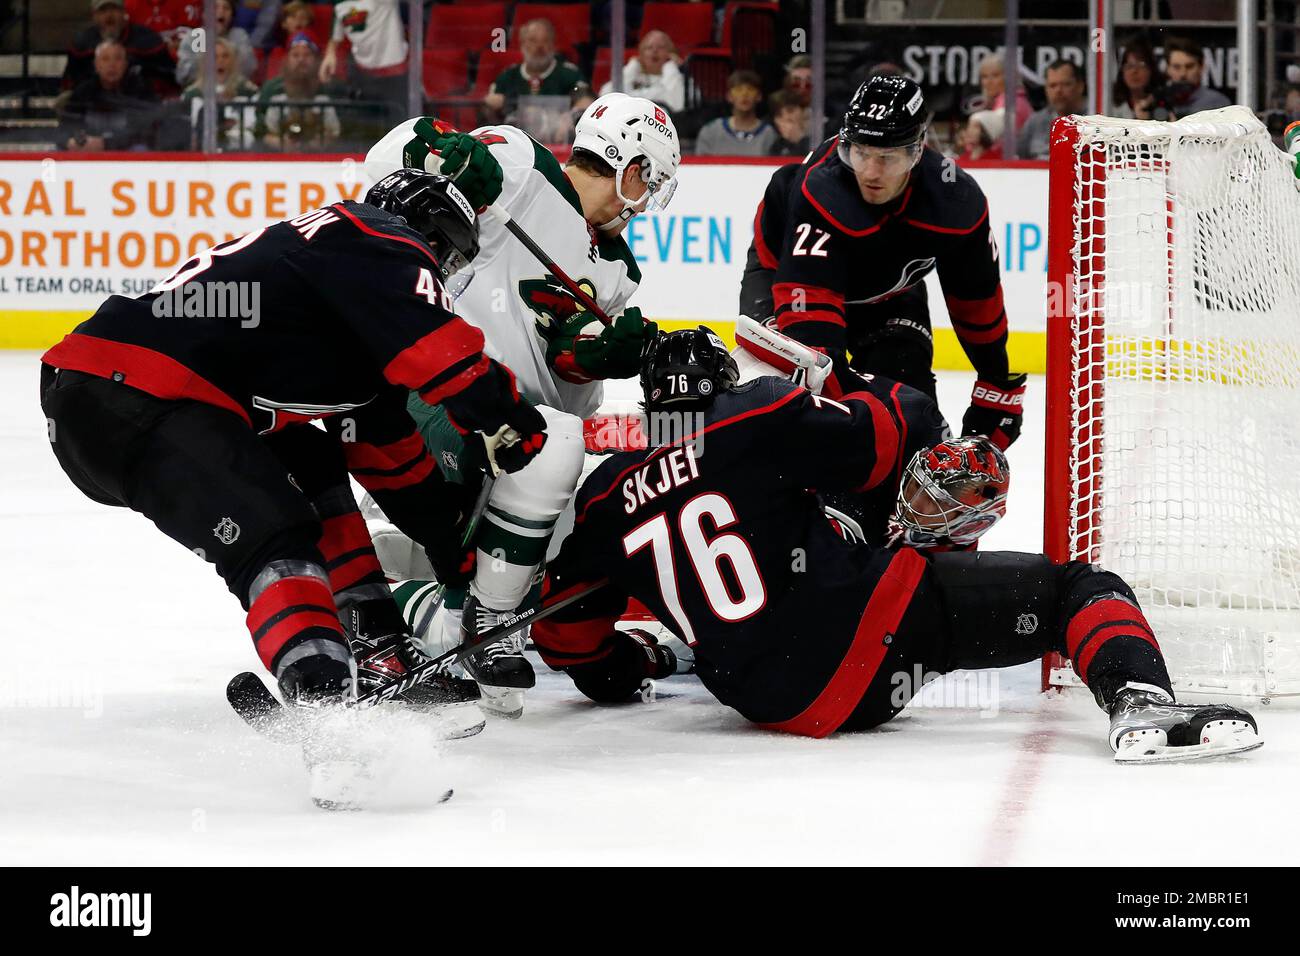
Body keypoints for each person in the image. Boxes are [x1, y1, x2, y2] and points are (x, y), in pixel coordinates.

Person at [530, 327, 1262, 762]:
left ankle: (716, 633)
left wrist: (634, 663)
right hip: (873, 642)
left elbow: (566, 641)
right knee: (1077, 586)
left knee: (808, 533)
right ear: (720, 382)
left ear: (652, 403)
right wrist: (842, 379)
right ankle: (1139, 701)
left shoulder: (601, 495)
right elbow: (898, 429)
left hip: (763, 701)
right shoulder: (755, 410)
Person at [39, 171, 548, 709]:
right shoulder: (378, 238)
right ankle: (324, 700)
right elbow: (444, 355)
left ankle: (375, 644)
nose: (444, 275)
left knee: (311, 458)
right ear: (435, 235)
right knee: (275, 534)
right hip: (133, 395)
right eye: (451, 259)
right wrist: (512, 419)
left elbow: (391, 462)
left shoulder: (344, 285)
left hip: (119, 398)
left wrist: (452, 549)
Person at [363, 93, 679, 718]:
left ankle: (398, 609)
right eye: (649, 185)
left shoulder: (618, 272)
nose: (642, 207)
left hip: (501, 445)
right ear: (634, 169)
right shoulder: (523, 168)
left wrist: (604, 355)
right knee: (553, 443)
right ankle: (486, 623)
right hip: (438, 403)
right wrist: (438, 156)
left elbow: (568, 370)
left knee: (568, 540)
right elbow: (390, 159)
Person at [740, 75, 1027, 451]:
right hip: (781, 276)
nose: (871, 173)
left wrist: (996, 383)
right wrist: (843, 411)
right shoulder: (821, 189)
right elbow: (811, 337)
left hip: (889, 294)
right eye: (860, 153)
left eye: (887, 158)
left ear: (917, 150)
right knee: (793, 413)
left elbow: (977, 302)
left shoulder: (957, 203)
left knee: (913, 421)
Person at [320, 0, 408, 129]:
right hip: (363, 76)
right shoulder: (339, 5)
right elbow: (335, 37)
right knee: (368, 132)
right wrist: (330, 55)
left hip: (394, 76)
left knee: (400, 131)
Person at [59, 38, 160, 151]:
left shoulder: (141, 91)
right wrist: (74, 140)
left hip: (126, 152)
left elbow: (147, 133)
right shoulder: (83, 92)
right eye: (105, 59)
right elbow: (66, 127)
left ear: (125, 64)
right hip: (89, 152)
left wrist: (106, 144)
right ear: (96, 65)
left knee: (140, 150)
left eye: (117, 59)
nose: (112, 65)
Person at [64, 0, 177, 98]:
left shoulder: (147, 40)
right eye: (103, 11)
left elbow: (170, 77)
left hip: (141, 103)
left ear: (124, 13)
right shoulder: (82, 45)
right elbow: (70, 82)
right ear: (94, 16)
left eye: (114, 9)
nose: (109, 16)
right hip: (92, 104)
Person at [483, 18, 585, 123]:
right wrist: (491, 107)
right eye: (533, 40)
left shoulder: (569, 74)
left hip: (559, 137)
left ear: (553, 44)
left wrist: (571, 117)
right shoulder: (508, 76)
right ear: (522, 44)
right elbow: (487, 111)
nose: (539, 46)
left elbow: (585, 99)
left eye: (545, 40)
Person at [256, 32, 340, 150]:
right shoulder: (272, 88)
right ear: (287, 59)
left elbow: (345, 129)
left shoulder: (330, 88)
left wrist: (325, 140)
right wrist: (277, 141)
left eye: (307, 55)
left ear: (316, 59)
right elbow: (259, 129)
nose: (301, 60)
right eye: (295, 55)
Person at [181, 36, 259, 148]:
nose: (220, 61)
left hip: (241, 153)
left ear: (233, 61)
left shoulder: (248, 91)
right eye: (215, 57)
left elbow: (253, 127)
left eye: (225, 56)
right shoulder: (191, 94)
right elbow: (187, 129)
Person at [598, 30, 685, 114]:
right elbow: (606, 95)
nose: (654, 51)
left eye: (661, 47)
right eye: (649, 47)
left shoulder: (677, 79)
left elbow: (677, 104)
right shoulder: (633, 75)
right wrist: (632, 66)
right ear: (641, 53)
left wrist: (669, 66)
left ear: (671, 53)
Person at [175, 0, 257, 88]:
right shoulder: (195, 37)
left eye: (226, 8)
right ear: (204, 14)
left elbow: (249, 67)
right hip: (200, 91)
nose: (221, 11)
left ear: (232, 15)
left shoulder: (239, 35)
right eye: (215, 7)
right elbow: (183, 76)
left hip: (232, 90)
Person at [694, 70, 776, 156]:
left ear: (759, 96)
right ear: (729, 96)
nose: (744, 94)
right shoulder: (711, 132)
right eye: (738, 90)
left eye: (750, 90)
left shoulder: (769, 134)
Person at [1017, 59, 1085, 159]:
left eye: (1065, 84)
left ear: (1080, 86)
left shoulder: (1095, 121)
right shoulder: (1034, 122)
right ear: (1046, 89)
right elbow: (1019, 162)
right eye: (1053, 85)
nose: (1058, 90)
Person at [1160, 35, 1231, 118]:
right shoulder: (1157, 102)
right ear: (1167, 69)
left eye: (1189, 66)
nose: (1183, 74)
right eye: (1176, 67)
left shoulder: (1218, 104)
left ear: (1202, 67)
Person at [1111, 36, 1159, 120]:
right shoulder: (1111, 105)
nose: (1134, 71)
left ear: (1151, 70)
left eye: (1141, 65)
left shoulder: (1161, 103)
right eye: (1129, 66)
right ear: (1122, 72)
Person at [768, 91, 810, 156]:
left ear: (803, 111)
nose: (786, 117)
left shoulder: (818, 138)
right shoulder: (776, 147)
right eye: (779, 115)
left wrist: (799, 139)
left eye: (790, 111)